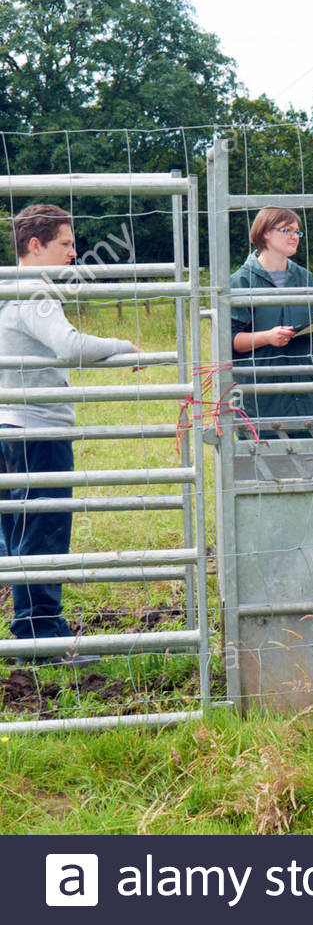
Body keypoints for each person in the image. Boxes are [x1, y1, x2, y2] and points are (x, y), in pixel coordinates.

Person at [1, 204, 141, 664]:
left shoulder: (8, 289)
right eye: (65, 243)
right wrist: (124, 347)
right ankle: (43, 641)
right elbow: (70, 345)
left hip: (12, 427)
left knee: (22, 533)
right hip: (35, 430)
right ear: (35, 245)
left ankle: (30, 636)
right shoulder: (32, 293)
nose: (74, 253)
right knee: (43, 533)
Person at [230, 208, 313, 438]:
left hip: (309, 398)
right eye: (286, 230)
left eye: (297, 232)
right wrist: (267, 337)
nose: (294, 236)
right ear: (265, 234)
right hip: (261, 401)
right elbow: (230, 342)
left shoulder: (306, 278)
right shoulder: (239, 282)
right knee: (262, 470)